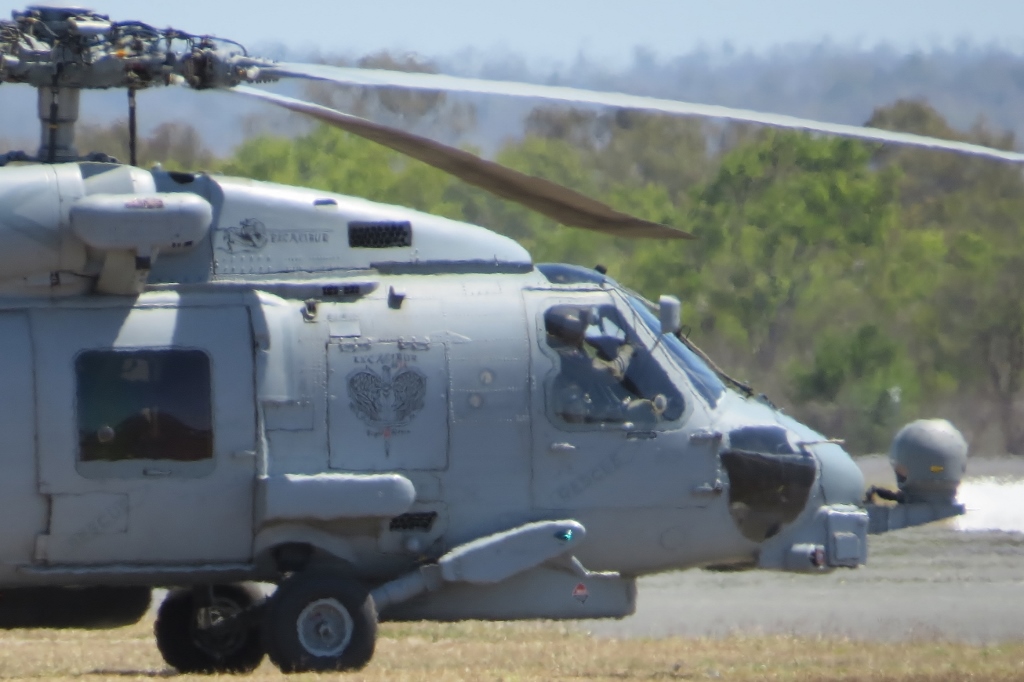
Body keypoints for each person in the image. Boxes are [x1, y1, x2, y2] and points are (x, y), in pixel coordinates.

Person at [544, 306, 666, 424]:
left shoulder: (567, 347)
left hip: (590, 412)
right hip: (573, 425)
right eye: (580, 320)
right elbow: (611, 374)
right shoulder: (563, 353)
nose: (585, 325)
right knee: (644, 410)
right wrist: (628, 349)